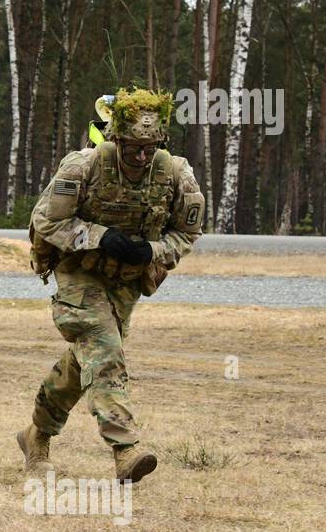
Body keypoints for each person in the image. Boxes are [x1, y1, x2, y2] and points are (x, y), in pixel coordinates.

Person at [20, 88, 205, 483]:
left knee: (84, 363)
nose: (141, 156)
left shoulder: (175, 173)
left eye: (149, 148)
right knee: (104, 351)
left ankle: (36, 435)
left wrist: (152, 251)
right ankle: (125, 448)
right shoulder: (82, 167)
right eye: (134, 147)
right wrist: (100, 236)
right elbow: (47, 222)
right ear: (117, 139)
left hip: (126, 283)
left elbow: (187, 232)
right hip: (78, 272)